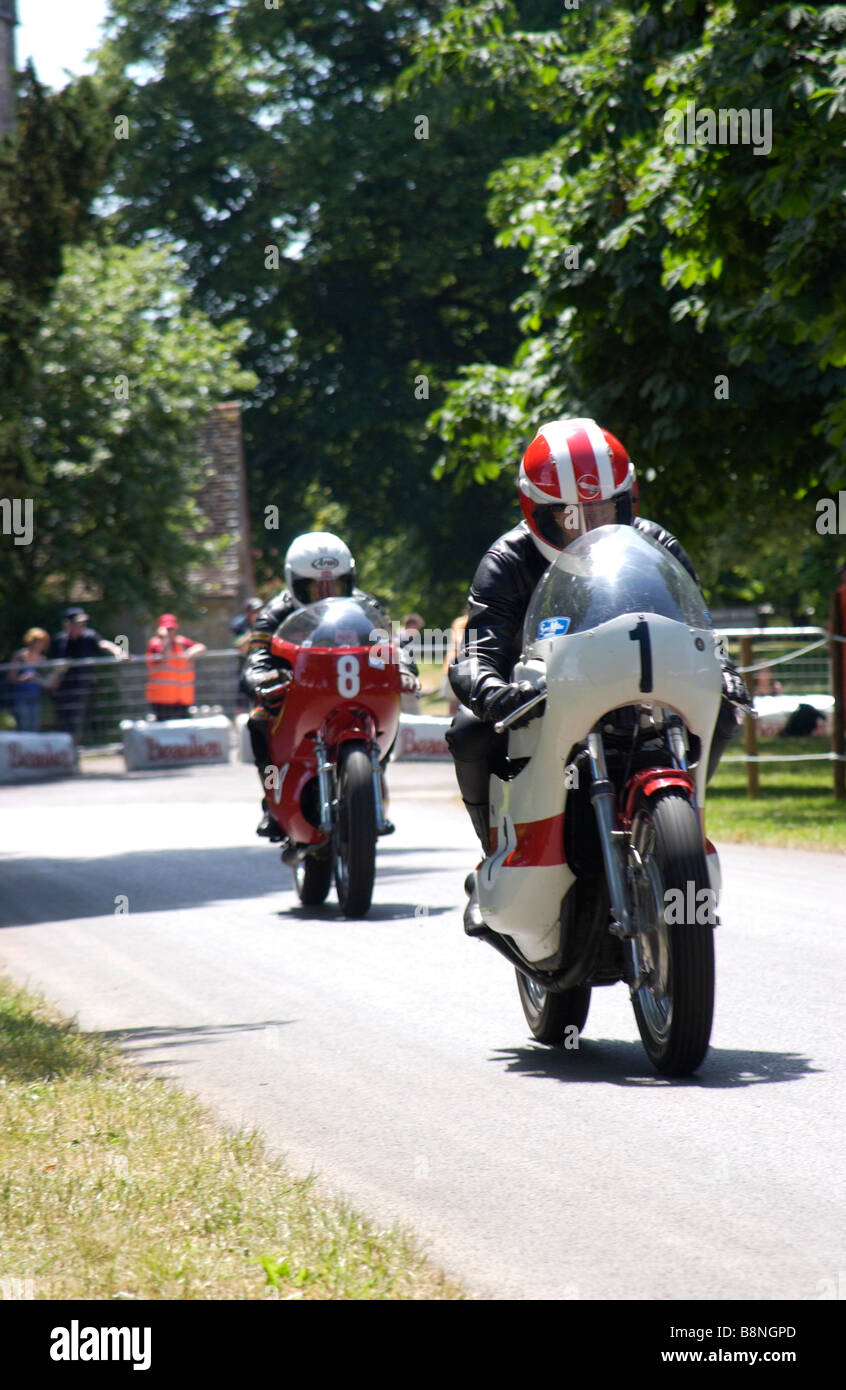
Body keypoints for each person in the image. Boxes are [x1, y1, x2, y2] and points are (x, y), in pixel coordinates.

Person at [446, 417, 752, 909]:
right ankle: (497, 849)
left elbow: (699, 627)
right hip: (547, 700)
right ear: (536, 511)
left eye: (604, 509)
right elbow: (480, 648)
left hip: (644, 690)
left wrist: (725, 671)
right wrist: (488, 686)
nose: (588, 526)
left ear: (627, 501)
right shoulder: (507, 559)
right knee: (468, 730)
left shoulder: (656, 545)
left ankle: (682, 821)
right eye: (569, 516)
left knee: (726, 711)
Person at [241, 531, 417, 841]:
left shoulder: (366, 606)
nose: (325, 594)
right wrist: (261, 678)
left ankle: (373, 783)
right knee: (257, 720)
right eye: (314, 587)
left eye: (335, 585)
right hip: (297, 690)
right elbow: (256, 657)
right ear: (294, 583)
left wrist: (404, 667)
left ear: (348, 580)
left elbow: (390, 644)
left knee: (391, 712)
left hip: (355, 688)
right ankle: (271, 799)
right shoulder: (272, 614)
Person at [52, 607, 127, 743]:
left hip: (83, 688)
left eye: (83, 623)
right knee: (64, 722)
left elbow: (104, 644)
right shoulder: (59, 640)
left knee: (77, 721)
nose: (82, 626)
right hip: (63, 690)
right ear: (67, 624)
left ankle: (75, 748)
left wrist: (119, 652)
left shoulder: (89, 636)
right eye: (77, 623)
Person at [146, 615, 207, 720]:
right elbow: (164, 656)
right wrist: (164, 638)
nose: (170, 632)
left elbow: (201, 647)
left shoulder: (181, 642)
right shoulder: (155, 644)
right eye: (167, 629)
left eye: (172, 629)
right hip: (161, 700)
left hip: (182, 699)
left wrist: (189, 653)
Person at [8, 628, 51, 732]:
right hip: (21, 697)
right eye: (35, 642)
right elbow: (11, 678)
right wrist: (23, 679)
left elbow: (47, 680)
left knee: (35, 726)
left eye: (41, 643)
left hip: (36, 697)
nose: (38, 645)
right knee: (23, 725)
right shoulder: (19, 656)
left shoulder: (43, 660)